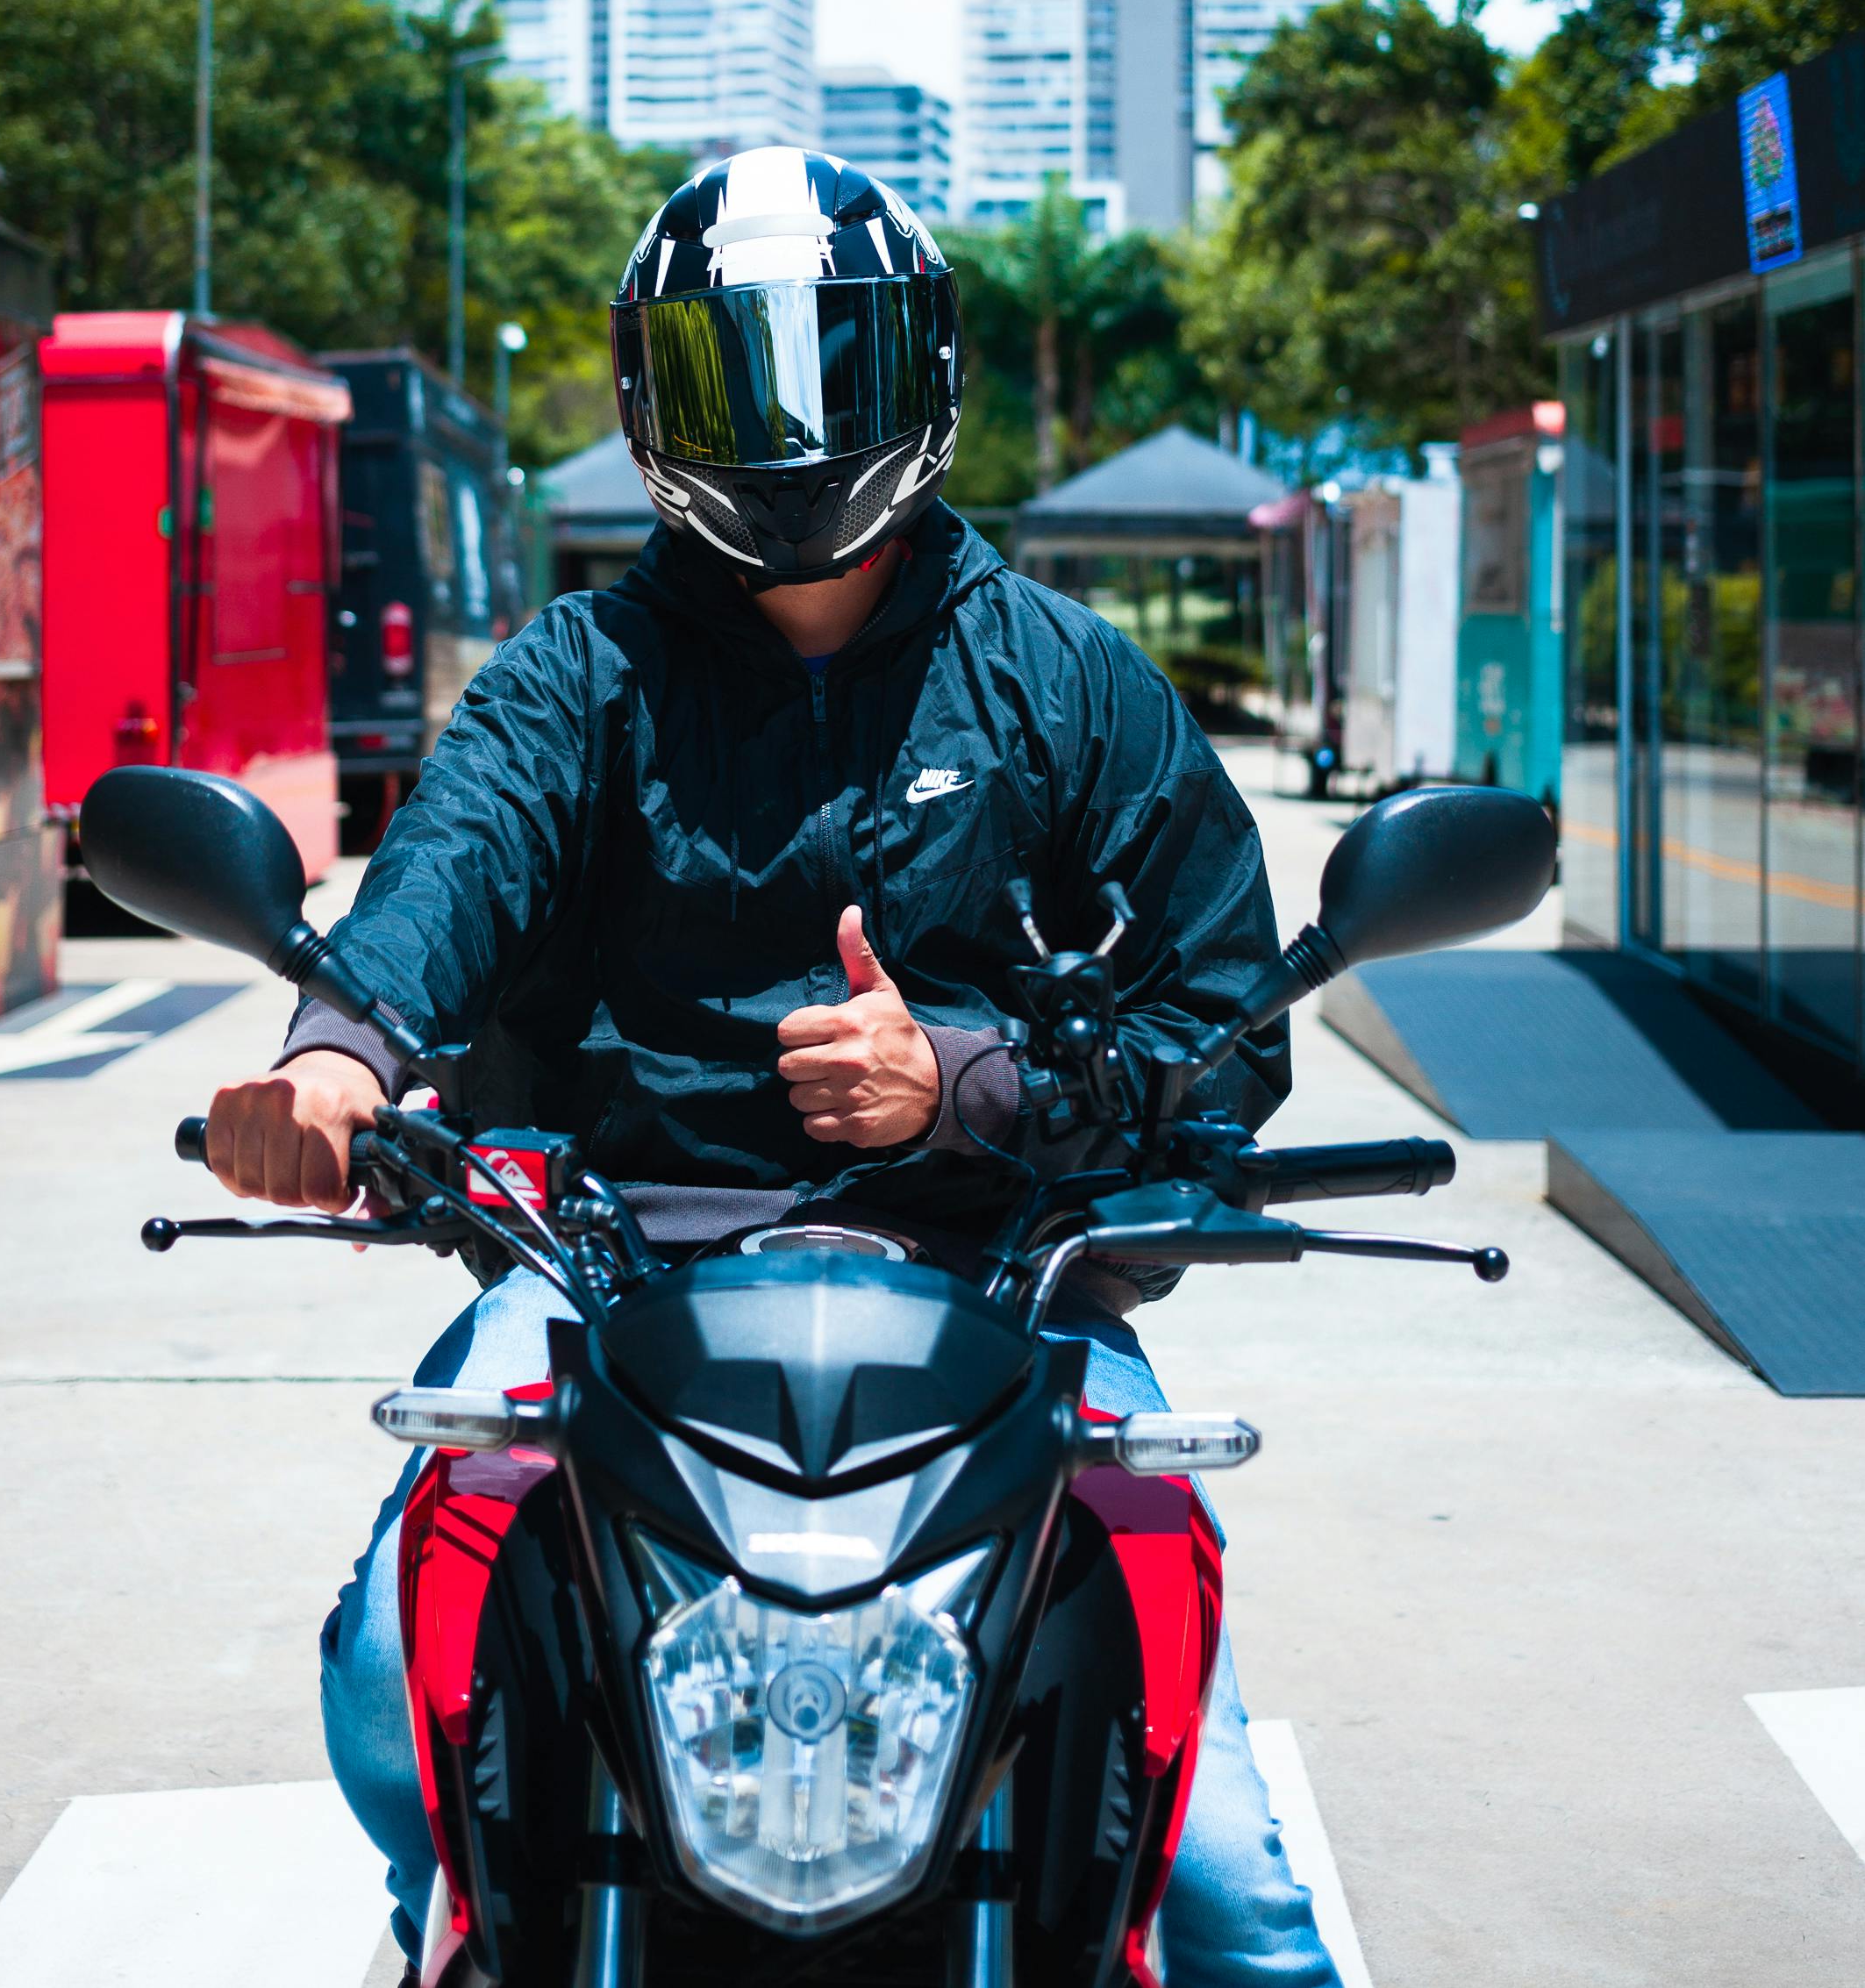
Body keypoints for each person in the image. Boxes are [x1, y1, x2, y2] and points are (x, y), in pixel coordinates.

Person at [207, 147, 1338, 1986]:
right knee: (381, 1688)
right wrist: (339, 1065)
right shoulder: (580, 675)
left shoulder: (1061, 677)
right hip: (616, 1270)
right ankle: (468, 1929)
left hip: (1001, 1273)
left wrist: (960, 1084)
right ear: (659, 401)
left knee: (1219, 1884)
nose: (802, 429)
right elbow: (449, 869)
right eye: (746, 377)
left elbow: (1224, 1024)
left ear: (930, 370)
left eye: (846, 365)